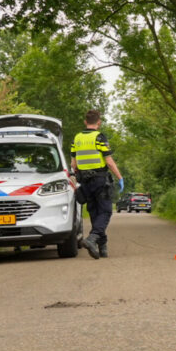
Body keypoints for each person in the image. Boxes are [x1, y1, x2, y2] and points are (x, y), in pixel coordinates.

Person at [70, 109, 124, 259]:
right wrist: (120, 177)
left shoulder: (76, 138)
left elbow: (73, 164)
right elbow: (109, 161)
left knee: (94, 212)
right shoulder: (99, 137)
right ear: (98, 122)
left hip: (84, 181)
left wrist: (77, 178)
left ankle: (102, 247)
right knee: (105, 211)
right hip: (99, 180)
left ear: (85, 122)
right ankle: (92, 238)